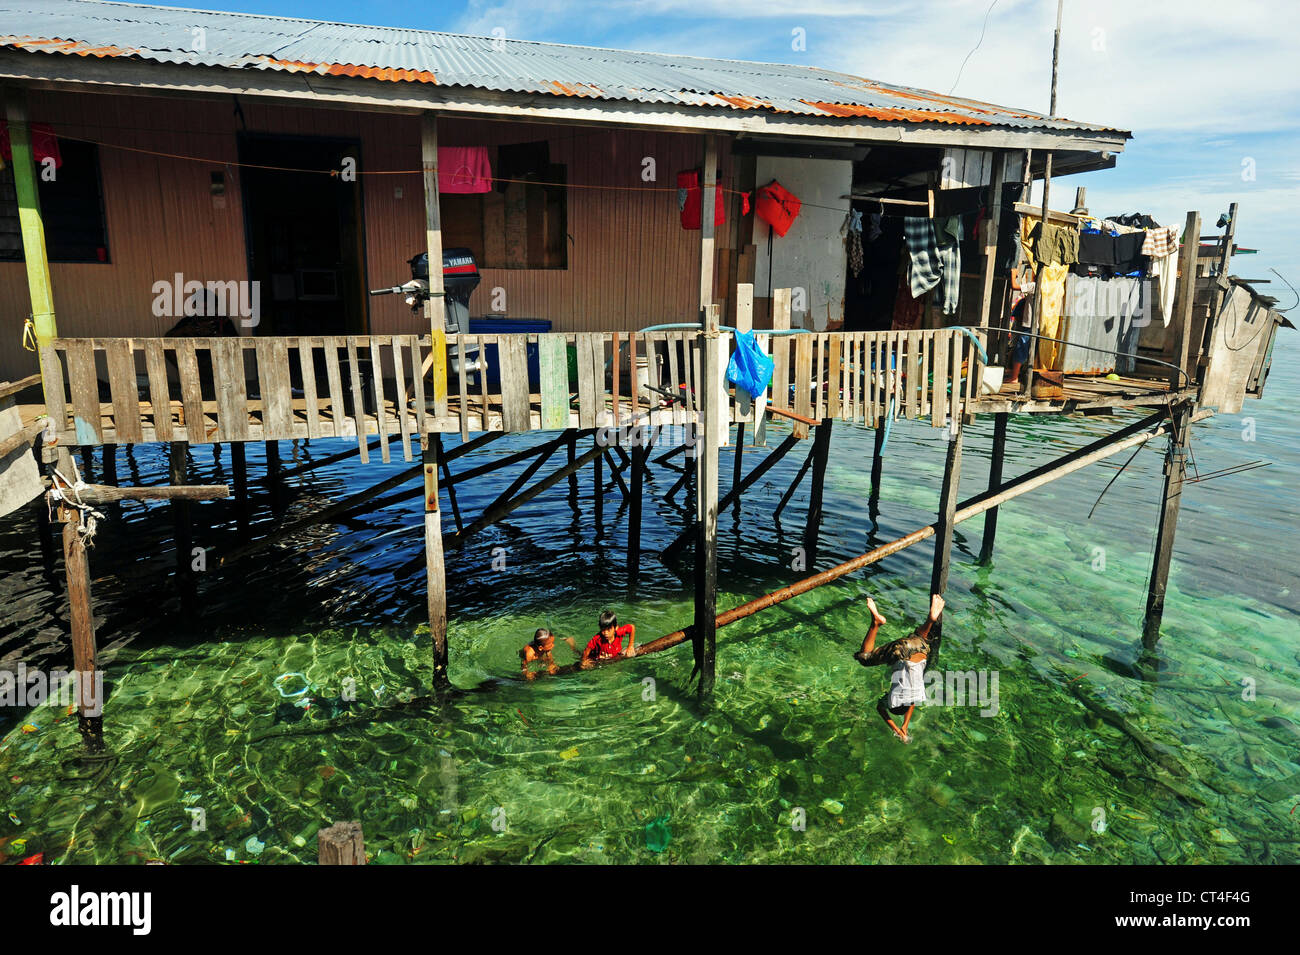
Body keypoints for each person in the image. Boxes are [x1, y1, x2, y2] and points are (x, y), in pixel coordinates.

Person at [853, 593, 944, 743]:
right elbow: (880, 709)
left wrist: (904, 727)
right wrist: (896, 730)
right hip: (902, 651)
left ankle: (930, 620)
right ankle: (876, 622)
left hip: (922, 649)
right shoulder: (893, 701)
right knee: (864, 658)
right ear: (893, 703)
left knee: (918, 637)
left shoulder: (917, 697)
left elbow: (911, 706)